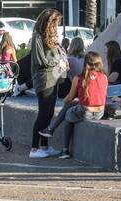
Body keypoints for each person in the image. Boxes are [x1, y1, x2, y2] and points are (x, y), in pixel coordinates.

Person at [40, 50, 107, 159]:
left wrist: (66, 101)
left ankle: (64, 148)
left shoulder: (79, 78)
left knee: (68, 113)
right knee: (73, 104)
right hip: (100, 112)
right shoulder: (104, 77)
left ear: (85, 63)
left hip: (86, 112)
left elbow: (69, 98)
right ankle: (51, 130)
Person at [29, 8, 69, 159]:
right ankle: (34, 148)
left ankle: (44, 146)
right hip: (44, 79)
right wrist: (58, 62)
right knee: (43, 114)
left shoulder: (51, 37)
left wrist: (63, 60)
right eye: (56, 23)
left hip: (54, 77)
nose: (57, 26)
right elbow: (42, 61)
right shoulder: (37, 37)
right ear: (49, 22)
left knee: (50, 113)